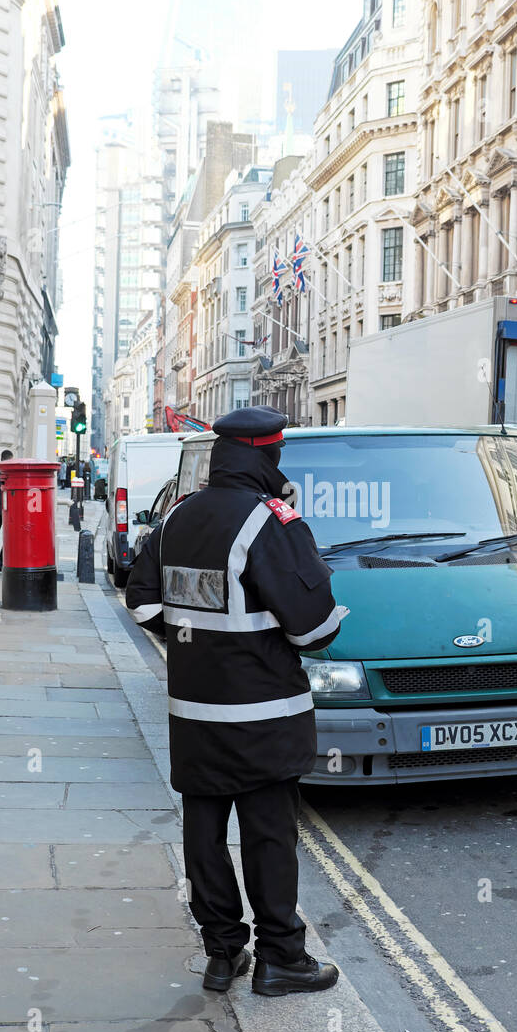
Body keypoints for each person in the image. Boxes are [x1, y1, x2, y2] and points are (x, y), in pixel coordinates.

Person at [126, 406, 347, 997]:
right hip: (264, 715)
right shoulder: (272, 523)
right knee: (268, 835)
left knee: (203, 833)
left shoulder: (178, 517)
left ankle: (223, 954)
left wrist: (198, 641)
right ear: (268, 455)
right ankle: (281, 957)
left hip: (194, 713)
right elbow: (316, 630)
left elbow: (143, 605)